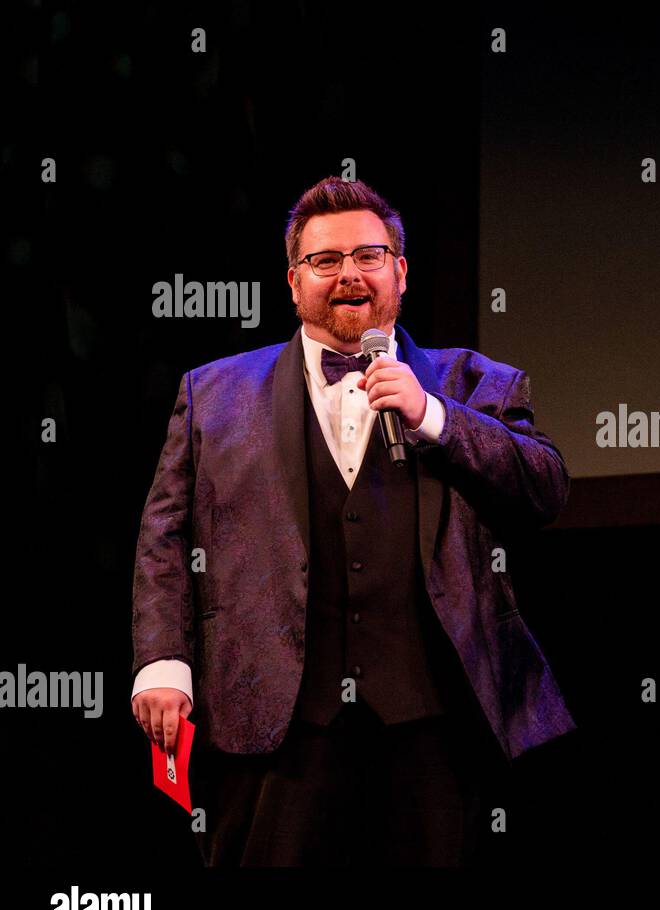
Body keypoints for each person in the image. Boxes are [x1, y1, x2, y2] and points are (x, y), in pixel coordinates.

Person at [129, 176, 575, 865]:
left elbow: (544, 489)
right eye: (325, 261)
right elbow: (167, 535)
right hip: (273, 721)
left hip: (438, 722)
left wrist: (433, 417)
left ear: (400, 269)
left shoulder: (473, 384)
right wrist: (163, 662)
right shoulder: (213, 392)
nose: (348, 277)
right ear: (293, 280)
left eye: (368, 256)